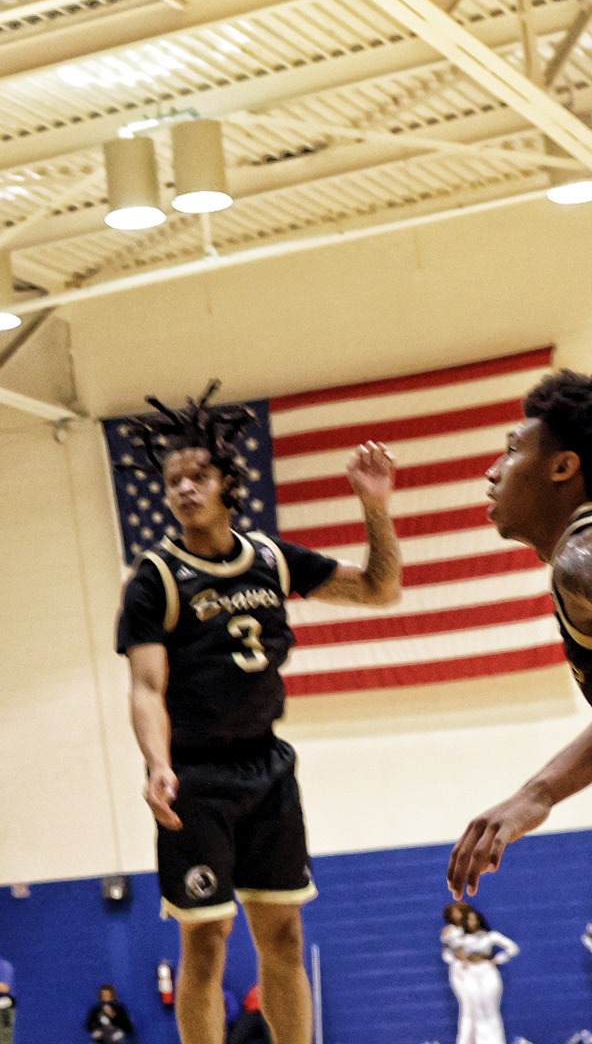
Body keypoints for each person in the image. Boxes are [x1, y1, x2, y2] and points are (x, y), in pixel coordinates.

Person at [114, 386, 400, 1044]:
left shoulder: (270, 560)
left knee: (285, 935)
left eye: (198, 474)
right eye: (173, 479)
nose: (185, 488)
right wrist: (157, 765)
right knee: (206, 941)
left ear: (227, 483)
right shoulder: (155, 577)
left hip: (267, 767)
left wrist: (374, 507)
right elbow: (146, 687)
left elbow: (381, 588)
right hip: (196, 777)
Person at [452, 372, 592, 894]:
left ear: (563, 466)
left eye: (511, 451)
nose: (493, 473)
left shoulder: (580, 559)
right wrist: (537, 793)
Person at [446, 906, 517, 1044]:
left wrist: (499, 959)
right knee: (476, 1010)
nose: (472, 923)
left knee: (491, 1010)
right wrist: (459, 959)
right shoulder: (462, 939)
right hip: (471, 973)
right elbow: (448, 952)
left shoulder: (490, 936)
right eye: (469, 920)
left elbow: (512, 948)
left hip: (487, 971)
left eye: (475, 920)